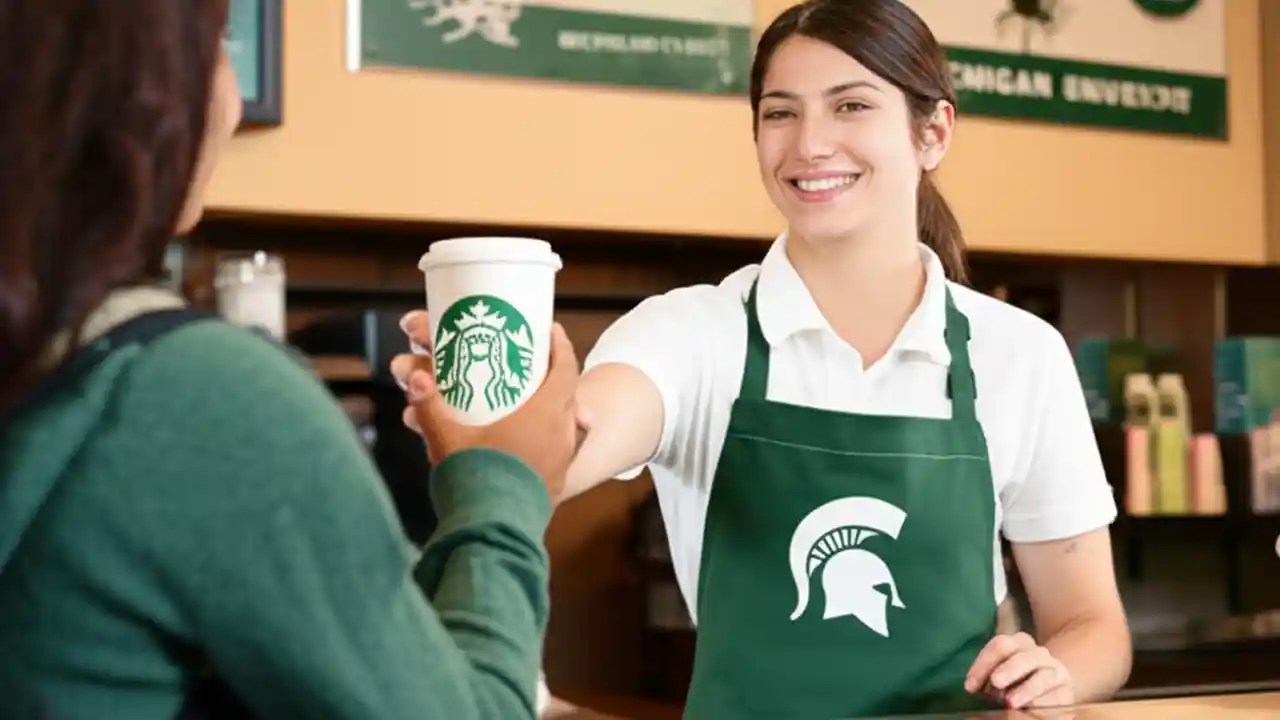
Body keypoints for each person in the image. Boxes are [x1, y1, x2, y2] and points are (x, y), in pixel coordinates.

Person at [398, 0, 1132, 716]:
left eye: (850, 106)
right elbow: (569, 444)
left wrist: (1053, 672)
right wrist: (488, 412)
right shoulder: (693, 333)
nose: (809, 143)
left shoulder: (1019, 354)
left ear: (933, 132)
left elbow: (1094, 627)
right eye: (781, 112)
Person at [0, 2, 583, 718]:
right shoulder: (193, 395)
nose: (233, 99)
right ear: (139, 89)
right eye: (218, 45)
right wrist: (505, 486)